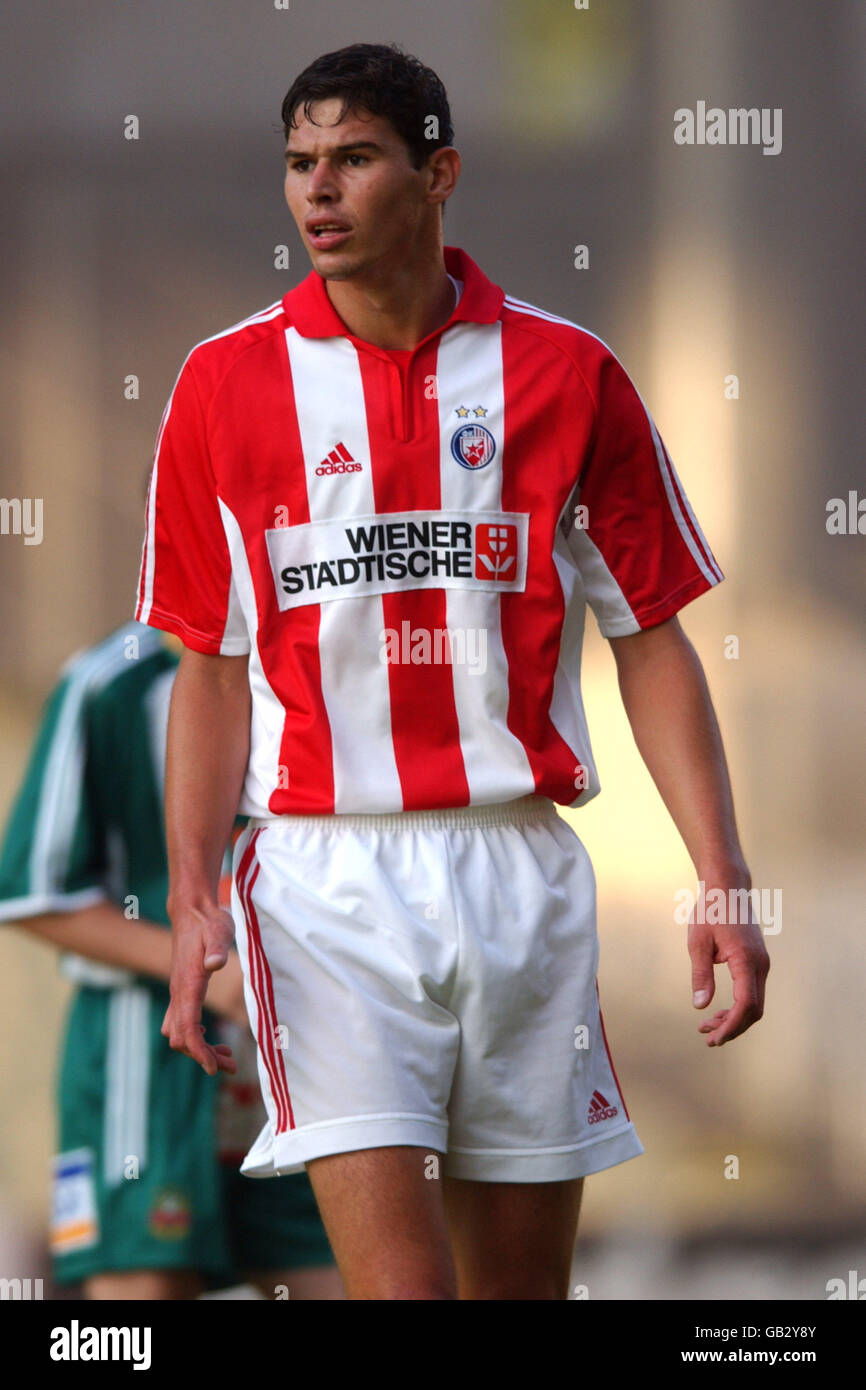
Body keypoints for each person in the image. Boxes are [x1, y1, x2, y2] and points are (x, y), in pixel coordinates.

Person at [134, 42, 770, 1301]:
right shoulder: (221, 384)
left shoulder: (568, 374)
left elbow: (650, 637)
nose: (318, 192)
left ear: (438, 175)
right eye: (299, 164)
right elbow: (206, 670)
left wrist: (721, 875)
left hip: (519, 868)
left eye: (354, 159)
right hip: (326, 881)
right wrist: (192, 891)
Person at [0, 621, 342, 1299]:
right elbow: (31, 891)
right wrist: (203, 973)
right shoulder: (110, 684)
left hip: (299, 1058)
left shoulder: (320, 665)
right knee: (141, 1300)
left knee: (341, 1274)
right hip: (143, 1066)